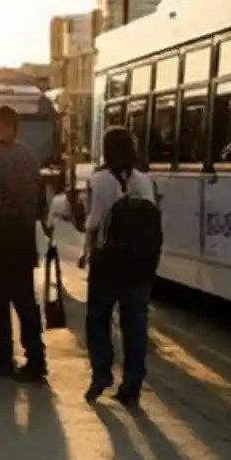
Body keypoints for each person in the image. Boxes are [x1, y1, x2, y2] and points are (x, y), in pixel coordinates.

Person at [82, 126, 159, 406]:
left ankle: (101, 373)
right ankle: (133, 382)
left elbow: (94, 221)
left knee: (98, 317)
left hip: (107, 260)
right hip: (140, 262)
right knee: (135, 322)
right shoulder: (144, 180)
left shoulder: (100, 179)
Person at [0, 105, 49, 382]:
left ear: (2, 126)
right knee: (25, 300)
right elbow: (40, 201)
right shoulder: (30, 157)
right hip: (23, 236)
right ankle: (36, 358)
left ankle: (2, 358)